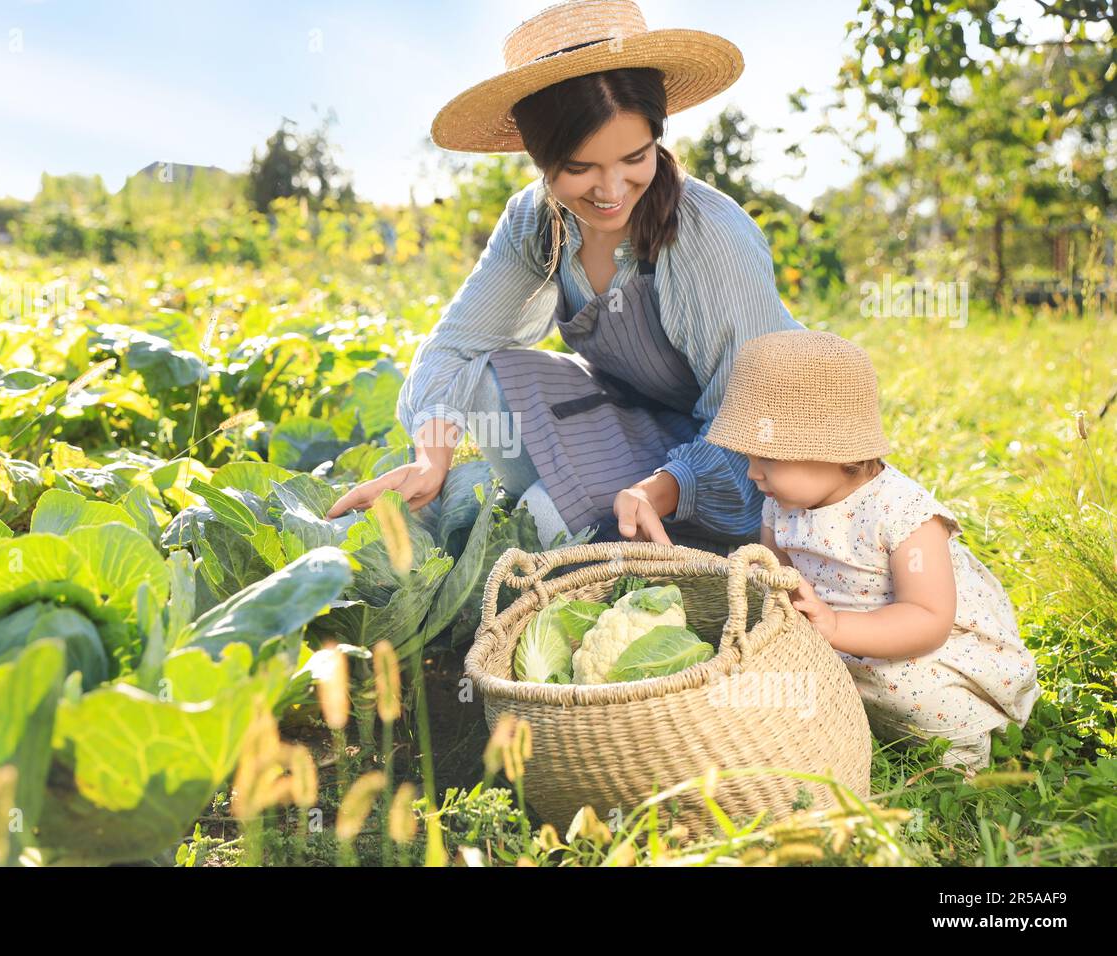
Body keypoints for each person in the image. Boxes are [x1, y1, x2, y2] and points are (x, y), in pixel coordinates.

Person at [327, 0, 802, 553]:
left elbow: (752, 417)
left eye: (635, 157)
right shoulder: (534, 221)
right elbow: (455, 347)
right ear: (539, 156)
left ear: (657, 136)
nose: (611, 189)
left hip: (757, 453)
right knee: (486, 380)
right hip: (640, 421)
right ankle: (591, 519)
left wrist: (662, 488)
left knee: (545, 523)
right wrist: (432, 455)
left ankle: (631, 529)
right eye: (579, 168)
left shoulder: (708, 236)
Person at [705, 329, 1042, 772]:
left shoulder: (902, 514)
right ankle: (836, 715)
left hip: (912, 648)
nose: (753, 474)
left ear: (834, 452)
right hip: (833, 645)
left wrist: (836, 625)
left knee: (916, 693)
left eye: (766, 459)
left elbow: (927, 618)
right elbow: (780, 573)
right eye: (749, 458)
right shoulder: (781, 504)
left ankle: (960, 751)